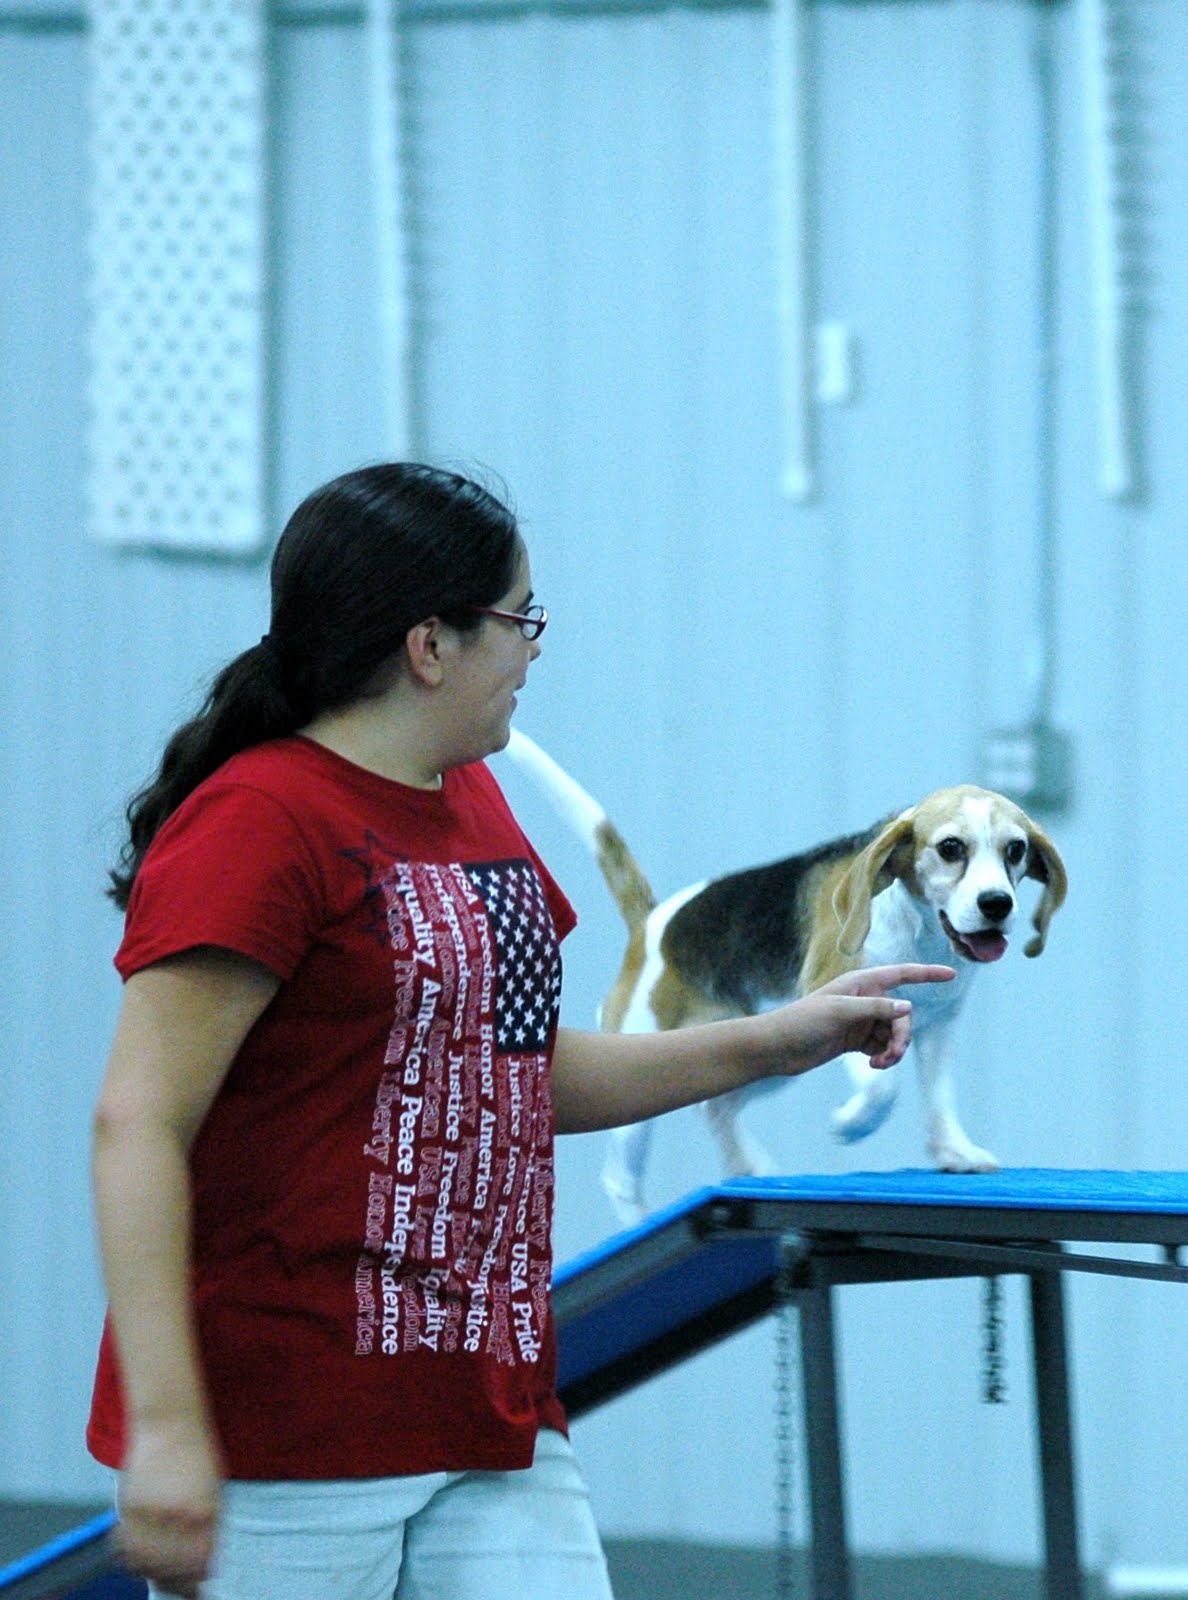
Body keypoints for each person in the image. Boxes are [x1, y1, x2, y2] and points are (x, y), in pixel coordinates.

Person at [88, 461, 953, 1600]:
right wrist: (164, 1423)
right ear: (427, 644)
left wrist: (788, 1036)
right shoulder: (260, 823)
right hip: (287, 1426)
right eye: (518, 616)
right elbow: (136, 1126)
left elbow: (524, 1077)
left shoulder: (473, 803)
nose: (535, 645)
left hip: (489, 1408)